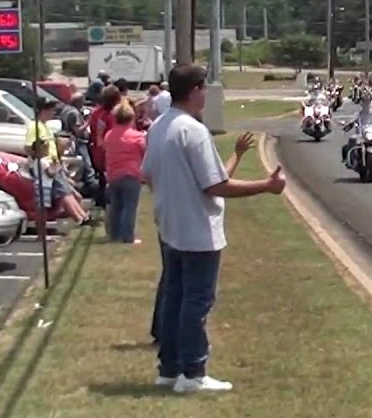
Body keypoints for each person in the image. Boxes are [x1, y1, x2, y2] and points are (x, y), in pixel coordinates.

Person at [144, 64, 284, 393]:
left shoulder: (159, 126)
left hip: (170, 226)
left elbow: (147, 173)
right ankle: (193, 373)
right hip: (197, 231)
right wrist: (267, 185)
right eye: (204, 87)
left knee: (174, 298)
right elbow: (216, 186)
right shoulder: (193, 131)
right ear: (194, 90)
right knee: (196, 302)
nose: (207, 93)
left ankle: (170, 368)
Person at [26, 97, 90, 226]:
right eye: (51, 109)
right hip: (46, 167)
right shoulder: (35, 127)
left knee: (67, 190)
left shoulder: (44, 126)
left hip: (54, 164)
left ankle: (82, 216)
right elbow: (28, 147)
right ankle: (80, 218)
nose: (53, 112)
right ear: (43, 110)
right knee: (63, 192)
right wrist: (41, 161)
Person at [103, 102, 147, 244]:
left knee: (116, 205)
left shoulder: (109, 135)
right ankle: (128, 236)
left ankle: (114, 234)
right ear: (131, 118)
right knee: (130, 206)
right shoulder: (137, 136)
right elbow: (145, 152)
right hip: (131, 174)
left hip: (113, 174)